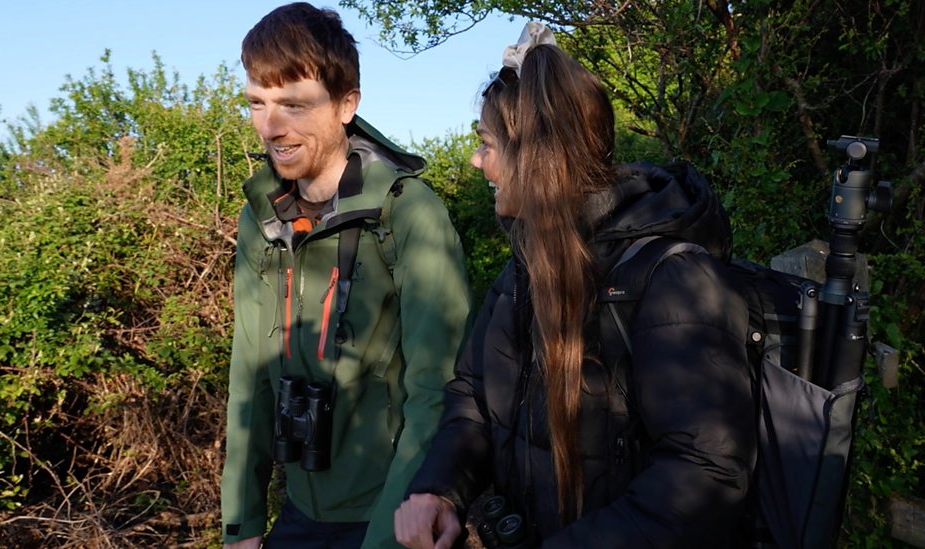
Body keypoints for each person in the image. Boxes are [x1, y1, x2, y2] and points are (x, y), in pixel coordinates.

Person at [393, 23, 756, 548]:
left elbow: (706, 470)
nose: (476, 161)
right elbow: (472, 397)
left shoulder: (672, 279)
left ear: (537, 158)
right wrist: (438, 489)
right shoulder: (524, 270)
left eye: (486, 144)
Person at [220, 4, 472, 548]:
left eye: (292, 104)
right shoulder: (261, 217)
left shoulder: (407, 211)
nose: (270, 127)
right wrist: (239, 524)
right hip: (298, 511)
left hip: (388, 514)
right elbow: (250, 373)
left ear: (346, 104)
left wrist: (386, 537)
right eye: (257, 104)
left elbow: (436, 389)